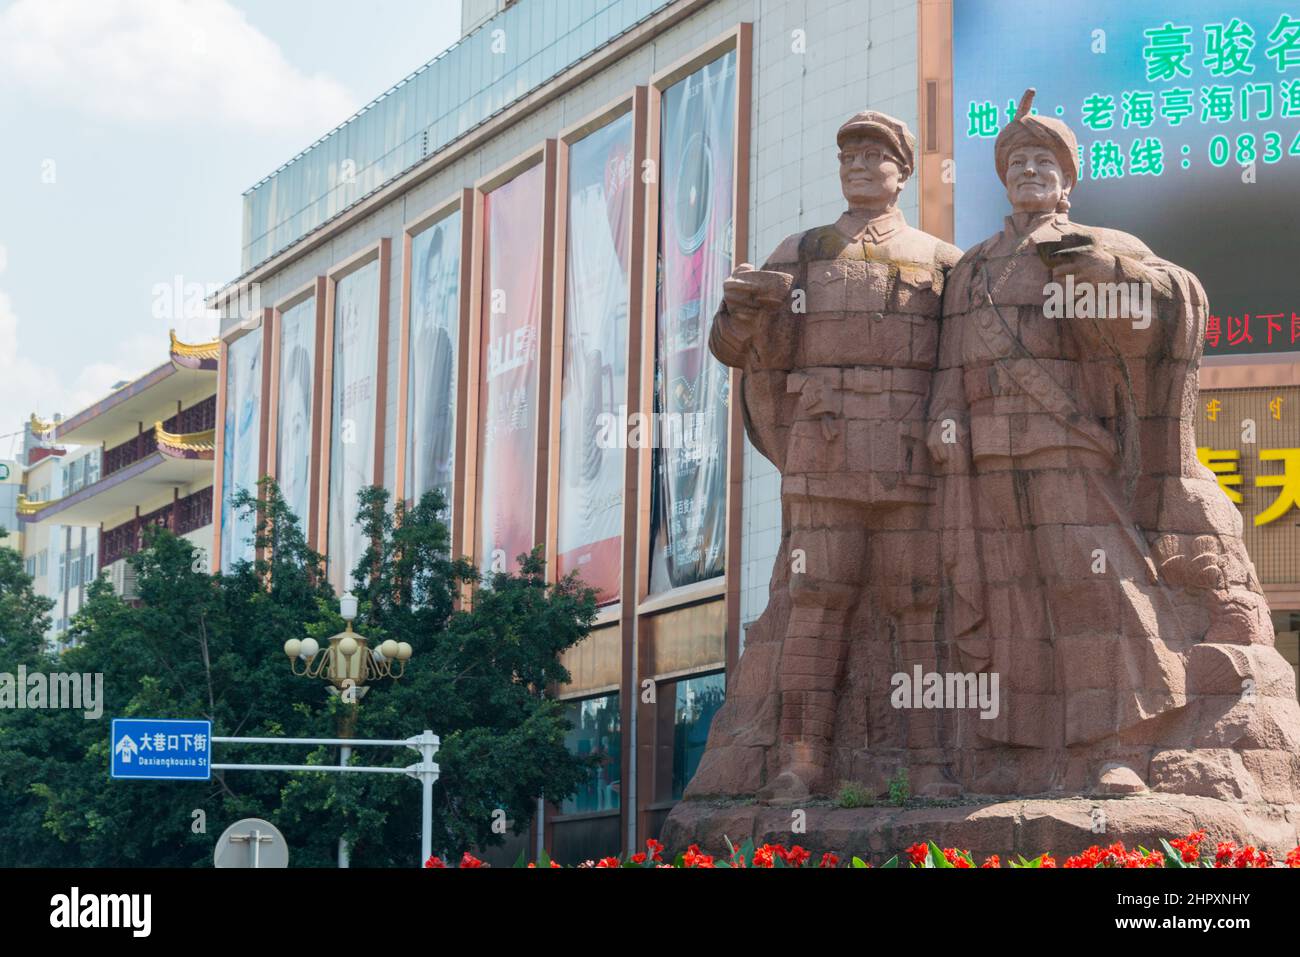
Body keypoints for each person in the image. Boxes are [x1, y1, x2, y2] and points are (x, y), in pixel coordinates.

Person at [708, 111, 961, 799]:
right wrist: (740, 313)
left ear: (902, 171)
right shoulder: (803, 250)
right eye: (848, 156)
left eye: (875, 156)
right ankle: (804, 760)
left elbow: (964, 366)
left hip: (910, 458)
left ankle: (931, 764)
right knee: (815, 601)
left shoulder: (942, 262)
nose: (859, 166)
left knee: (918, 606)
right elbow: (737, 353)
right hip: (824, 451)